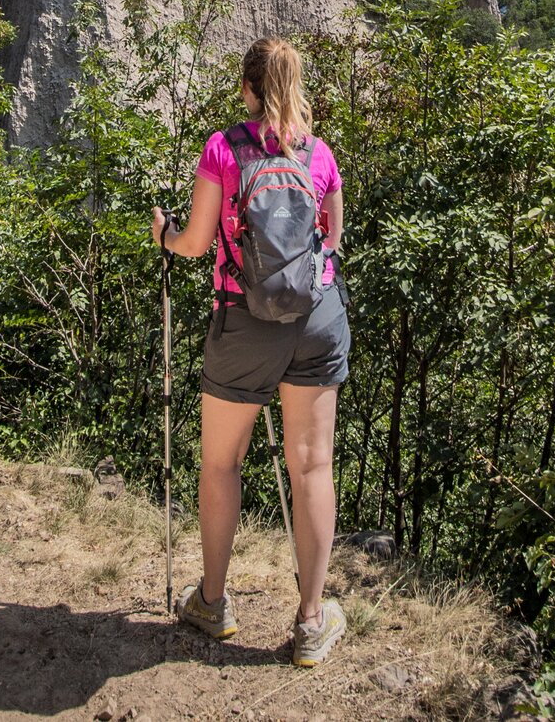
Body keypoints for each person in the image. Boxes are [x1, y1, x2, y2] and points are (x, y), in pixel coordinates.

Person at [152, 36, 350, 667]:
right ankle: (311, 622)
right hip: (317, 320)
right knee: (312, 466)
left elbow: (194, 243)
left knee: (220, 464)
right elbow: (332, 242)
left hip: (244, 322)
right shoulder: (320, 154)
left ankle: (212, 602)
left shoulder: (224, 148)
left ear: (248, 88)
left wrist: (163, 234)